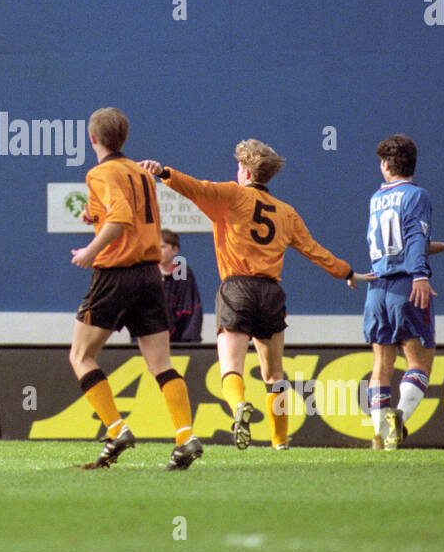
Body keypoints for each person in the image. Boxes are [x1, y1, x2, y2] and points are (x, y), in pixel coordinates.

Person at [140, 140, 364, 451]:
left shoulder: (233, 195)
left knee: (231, 365)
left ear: (245, 170)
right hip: (271, 292)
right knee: (274, 373)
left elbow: (196, 188)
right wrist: (347, 273)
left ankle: (239, 406)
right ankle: (280, 440)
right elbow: (314, 250)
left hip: (237, 287)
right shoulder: (286, 212)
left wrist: (164, 172)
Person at [69, 107, 202, 470]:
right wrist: (95, 216)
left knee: (81, 356)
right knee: (160, 363)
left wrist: (89, 251)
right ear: (123, 138)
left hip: (115, 275)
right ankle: (185, 436)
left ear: (92, 138)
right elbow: (129, 214)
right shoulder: (141, 172)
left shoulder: (99, 171)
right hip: (148, 275)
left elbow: (122, 217)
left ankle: (116, 430)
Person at [362, 135, 444, 450]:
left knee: (381, 365)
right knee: (419, 363)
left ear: (385, 166)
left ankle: (380, 435)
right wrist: (420, 274)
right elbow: (411, 238)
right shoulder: (417, 195)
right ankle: (399, 417)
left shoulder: (375, 199)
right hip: (406, 286)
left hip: (377, 288)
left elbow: (398, 246)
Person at [130, 230, 203, 344]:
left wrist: (189, 342)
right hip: (150, 339)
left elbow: (192, 309)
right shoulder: (146, 273)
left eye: (163, 247)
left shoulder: (184, 273)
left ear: (175, 250)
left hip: (179, 341)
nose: (158, 251)